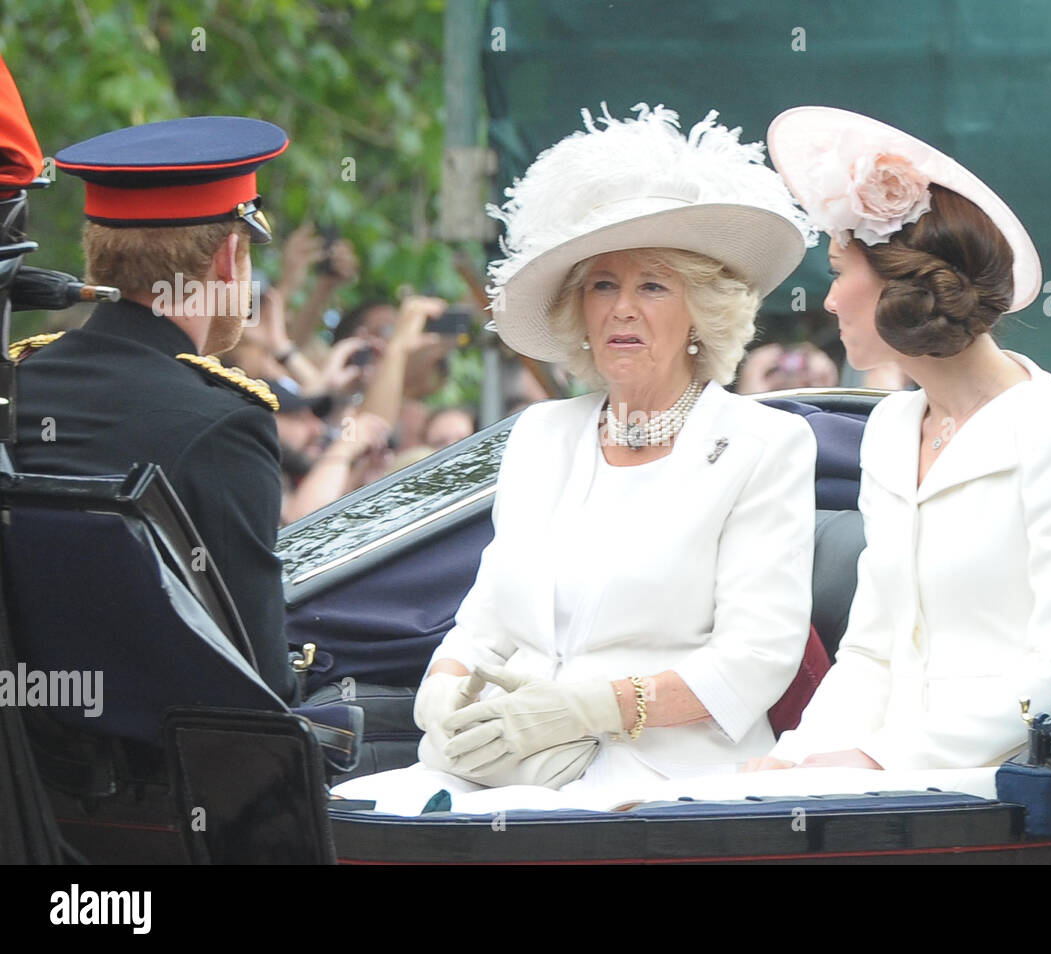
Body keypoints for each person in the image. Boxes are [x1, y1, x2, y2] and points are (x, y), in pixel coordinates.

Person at [333, 103, 818, 812]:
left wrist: (590, 708)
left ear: (700, 312)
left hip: (665, 783)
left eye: (652, 284)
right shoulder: (540, 435)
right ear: (580, 313)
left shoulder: (761, 445)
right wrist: (442, 695)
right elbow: (484, 624)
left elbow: (755, 662)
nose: (622, 308)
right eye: (603, 285)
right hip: (503, 768)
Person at [745, 107, 1051, 774]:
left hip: (998, 783)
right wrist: (796, 760)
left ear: (898, 285)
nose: (829, 302)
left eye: (840, 272)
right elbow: (870, 651)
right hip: (878, 780)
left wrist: (874, 759)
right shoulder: (890, 430)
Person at [12, 117, 299, 704]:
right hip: (155, 783)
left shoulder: (16, 383)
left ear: (98, 257)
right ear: (229, 259)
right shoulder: (222, 424)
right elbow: (263, 689)